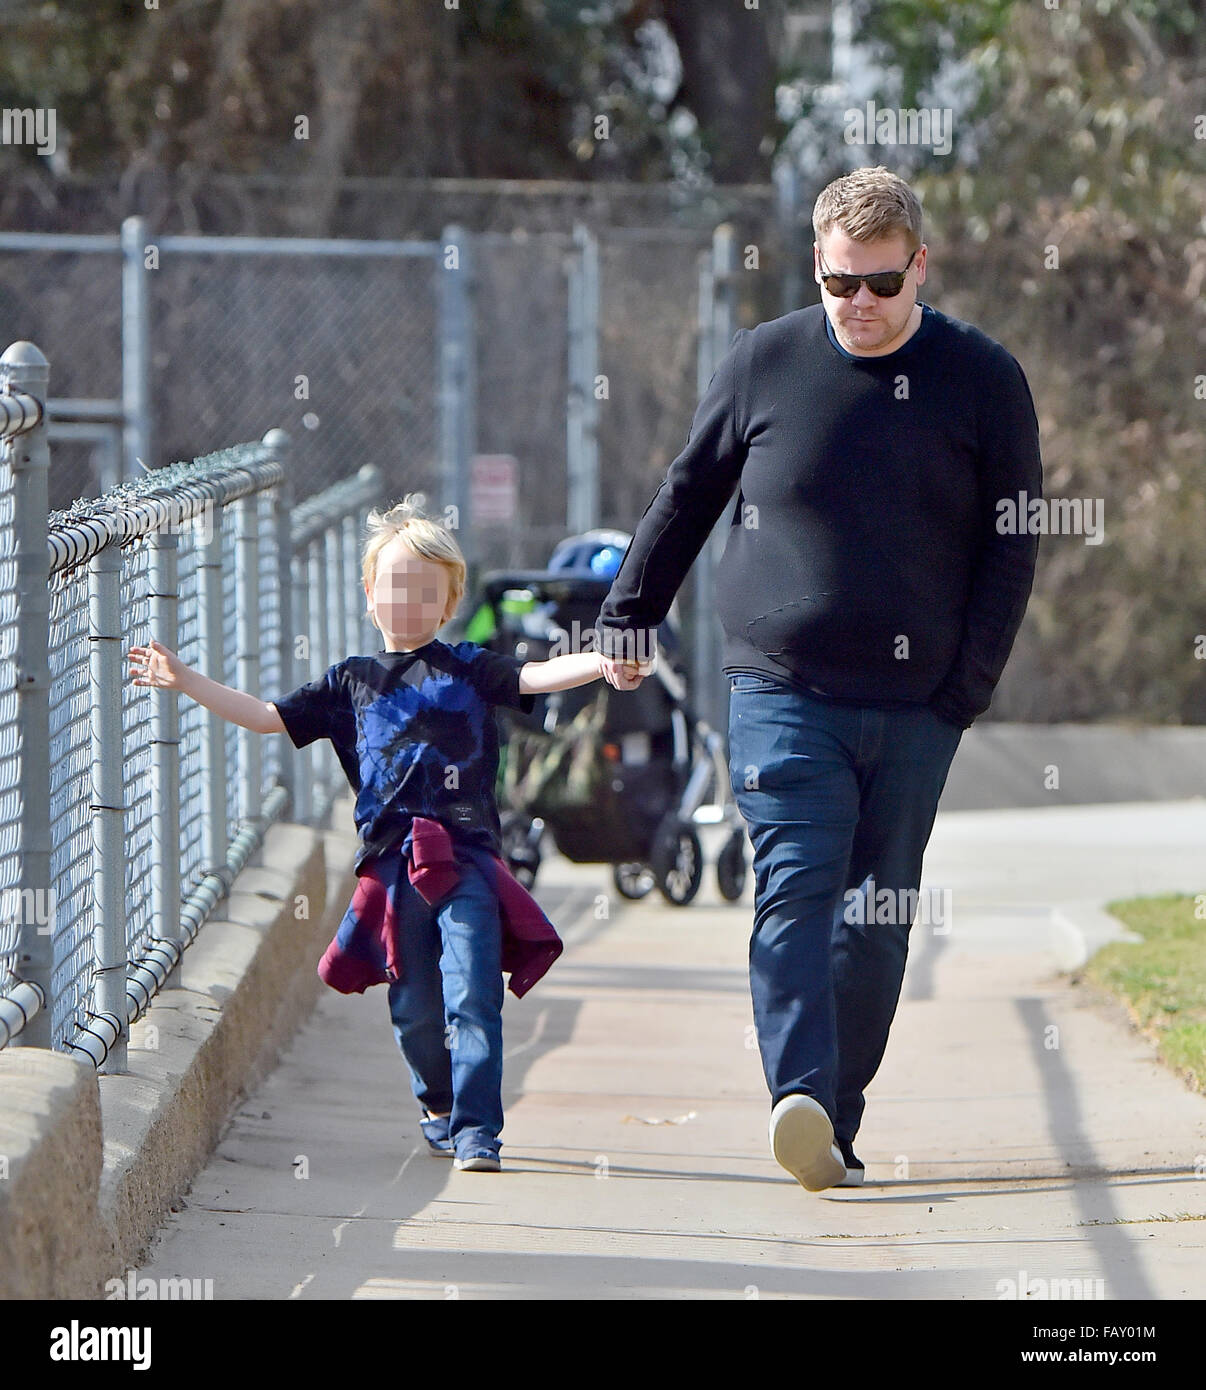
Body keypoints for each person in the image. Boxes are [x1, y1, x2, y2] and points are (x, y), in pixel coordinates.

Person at [596, 165, 1042, 1192]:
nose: (861, 306)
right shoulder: (766, 362)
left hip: (920, 704)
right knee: (795, 889)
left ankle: (834, 1117)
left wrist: (965, 688)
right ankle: (795, 1090)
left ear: (920, 265)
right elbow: (688, 493)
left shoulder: (983, 378)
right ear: (817, 266)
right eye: (841, 284)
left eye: (883, 284)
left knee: (876, 922)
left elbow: (1012, 546)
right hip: (781, 689)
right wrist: (628, 609)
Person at [128, 496, 647, 1172]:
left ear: (448, 601)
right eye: (395, 586)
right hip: (395, 867)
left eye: (425, 590)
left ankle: (478, 1132)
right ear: (370, 595)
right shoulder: (352, 682)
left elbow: (539, 675)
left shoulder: (470, 666)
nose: (407, 600)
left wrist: (605, 661)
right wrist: (186, 680)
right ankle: (438, 1104)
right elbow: (265, 717)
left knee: (473, 997)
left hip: (467, 860)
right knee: (417, 1009)